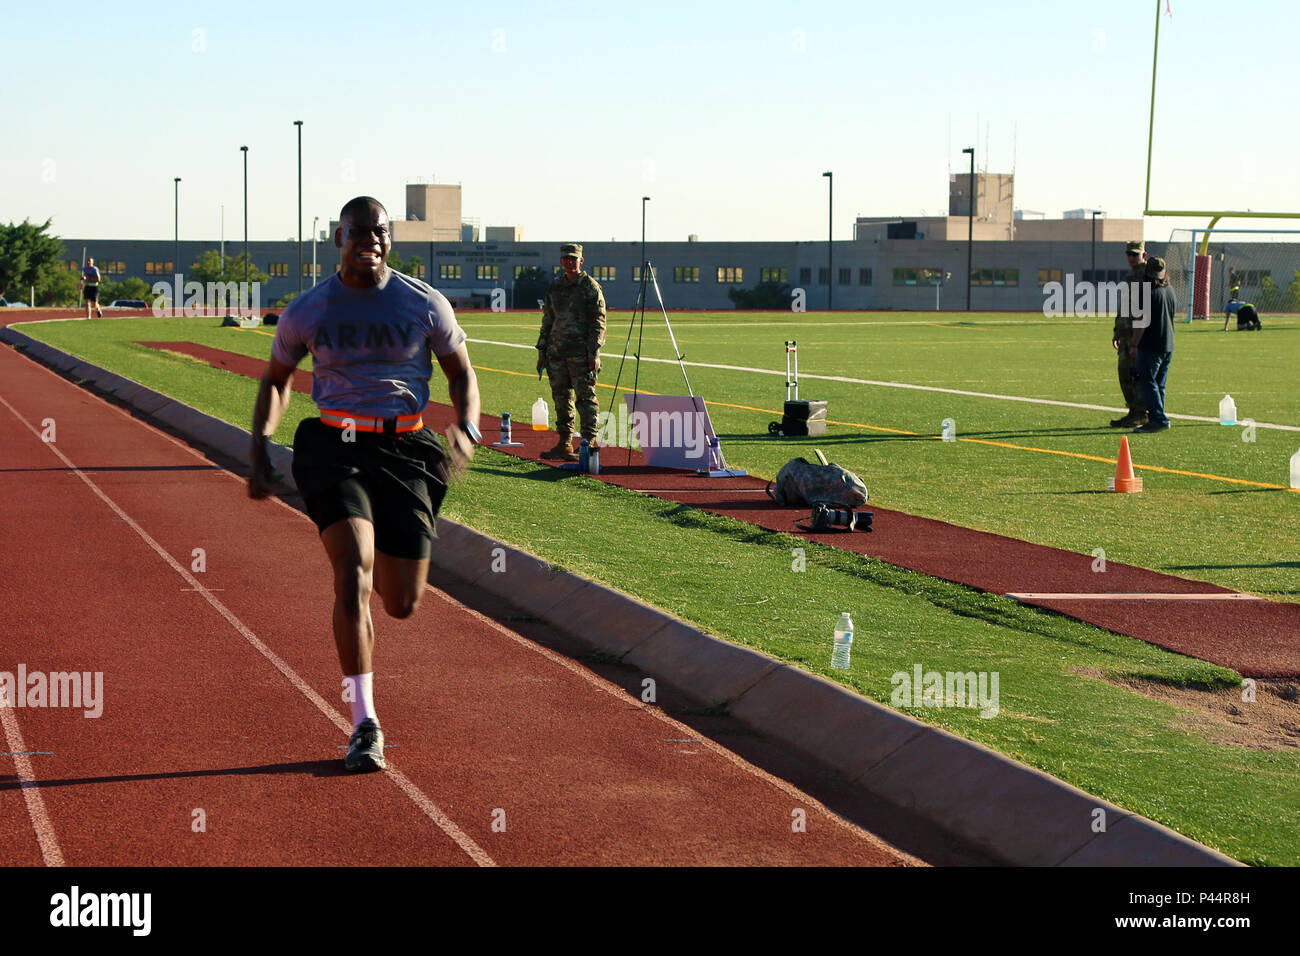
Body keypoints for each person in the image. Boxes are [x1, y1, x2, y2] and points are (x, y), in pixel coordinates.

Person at [247, 196, 480, 772]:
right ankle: (363, 723)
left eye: (378, 232)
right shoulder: (308, 309)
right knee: (352, 571)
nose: (368, 241)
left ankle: (378, 584)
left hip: (407, 450)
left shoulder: (425, 303)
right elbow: (278, 380)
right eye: (357, 233)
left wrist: (468, 428)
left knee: (401, 602)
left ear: (389, 241)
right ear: (337, 239)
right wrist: (258, 442)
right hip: (335, 446)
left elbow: (461, 374)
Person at [536, 243, 606, 461]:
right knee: (561, 399)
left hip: (581, 354)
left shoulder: (590, 287)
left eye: (573, 258)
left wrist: (594, 352)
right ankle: (564, 443)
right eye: (566, 258)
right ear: (561, 261)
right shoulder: (555, 288)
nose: (569, 262)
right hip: (556, 353)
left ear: (581, 261)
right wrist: (542, 350)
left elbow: (599, 321)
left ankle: (587, 443)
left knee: (586, 399)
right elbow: (548, 320)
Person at [1130, 256, 1176, 434]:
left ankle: (1158, 419)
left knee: (1146, 381)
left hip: (1151, 344)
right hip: (1168, 343)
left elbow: (1141, 321)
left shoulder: (1146, 292)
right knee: (1159, 384)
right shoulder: (1170, 290)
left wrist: (1134, 345)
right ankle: (1158, 416)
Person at [1110, 240, 1147, 428]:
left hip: (1137, 336)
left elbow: (1144, 310)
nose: (1131, 258)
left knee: (1135, 374)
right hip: (1125, 333)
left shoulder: (1147, 277)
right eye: (1129, 254)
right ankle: (1133, 411)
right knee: (1124, 373)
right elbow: (1123, 307)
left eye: (1135, 254)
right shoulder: (1130, 277)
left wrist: (1136, 340)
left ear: (1144, 255)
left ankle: (1140, 412)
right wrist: (1117, 330)